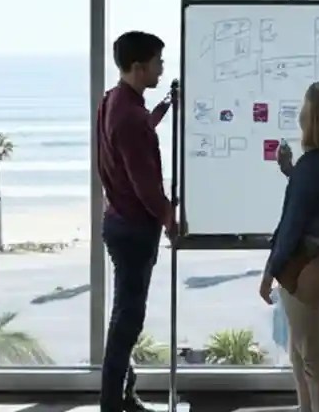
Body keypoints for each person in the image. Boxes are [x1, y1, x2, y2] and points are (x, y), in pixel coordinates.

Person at [96, 31, 179, 412]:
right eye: (158, 61)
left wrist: (164, 106)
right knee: (128, 319)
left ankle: (121, 396)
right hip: (133, 227)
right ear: (138, 66)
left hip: (119, 220)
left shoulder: (115, 101)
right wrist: (168, 216)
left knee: (125, 315)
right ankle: (114, 402)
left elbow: (141, 129)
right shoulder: (129, 115)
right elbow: (144, 182)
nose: (162, 67)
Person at [260, 81, 319, 412]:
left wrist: (269, 272)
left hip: (303, 271)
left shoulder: (310, 167)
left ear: (314, 119)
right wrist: (292, 173)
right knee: (305, 351)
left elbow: (291, 227)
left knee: (312, 357)